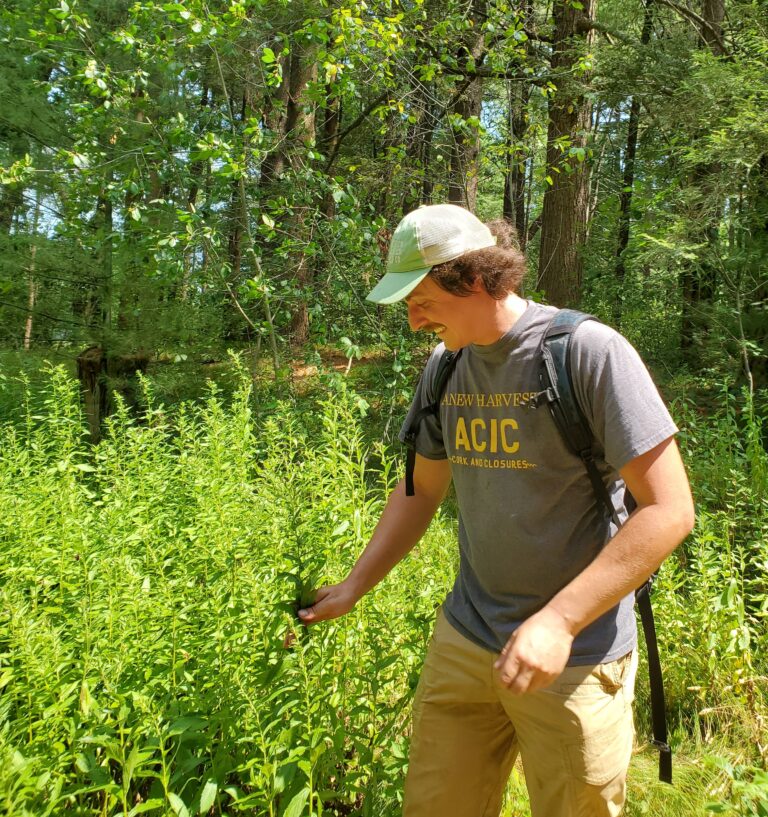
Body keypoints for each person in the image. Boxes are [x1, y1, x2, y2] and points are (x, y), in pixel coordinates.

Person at [298, 203, 695, 817]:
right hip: (466, 639)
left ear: (476, 278)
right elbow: (419, 491)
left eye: (421, 298)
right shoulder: (446, 367)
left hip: (576, 658)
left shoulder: (587, 352)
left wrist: (559, 621)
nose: (412, 320)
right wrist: (355, 585)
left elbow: (669, 510)